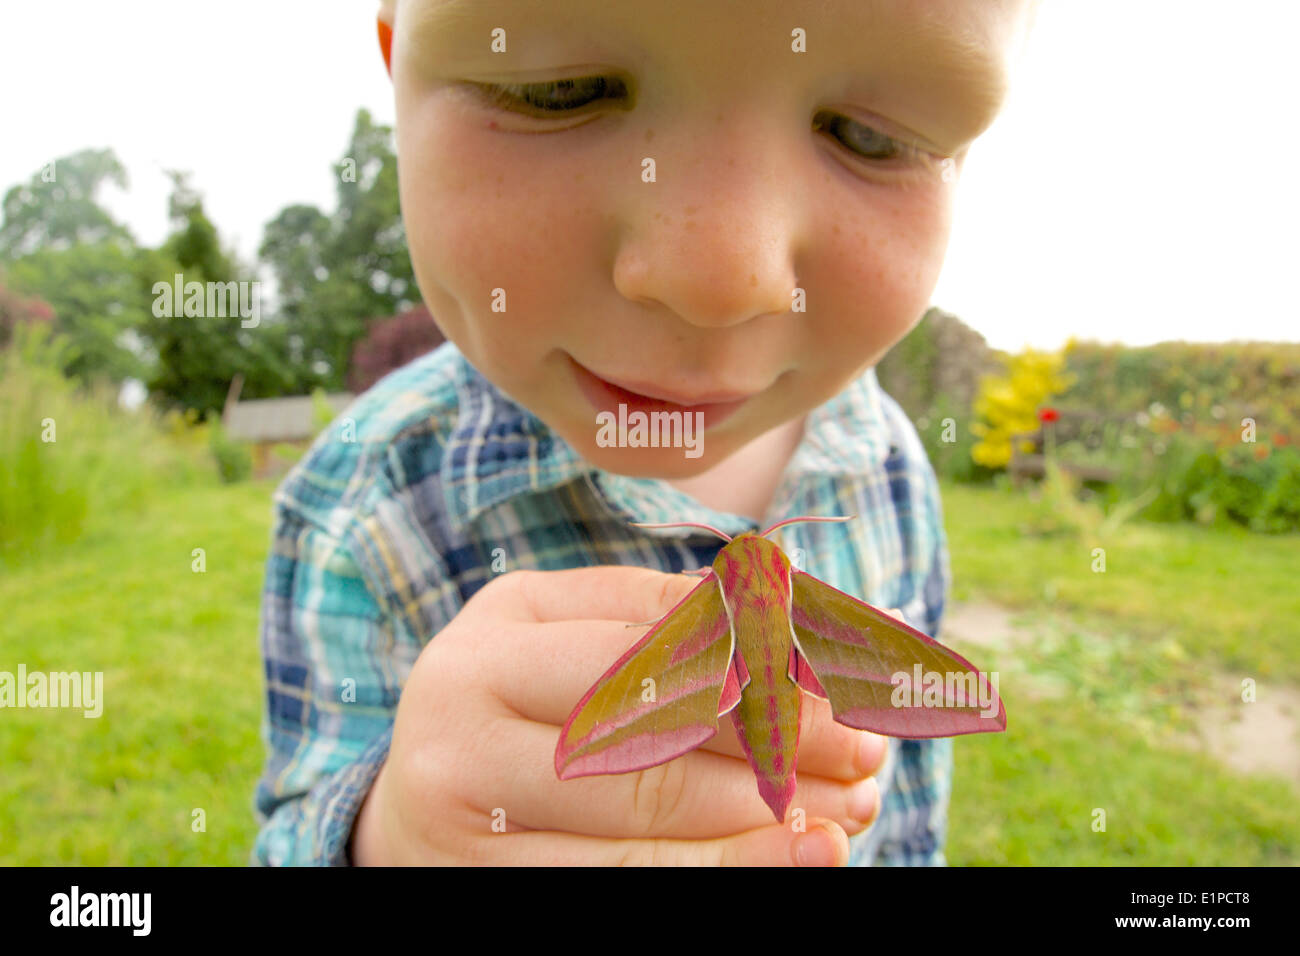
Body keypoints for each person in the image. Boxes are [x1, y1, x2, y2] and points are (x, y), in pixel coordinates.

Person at [252, 0, 1035, 866]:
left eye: (871, 137)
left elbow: (910, 824)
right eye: (561, 91)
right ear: (398, 72)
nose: (720, 277)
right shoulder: (363, 507)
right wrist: (390, 838)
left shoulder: (890, 467)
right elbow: (292, 822)